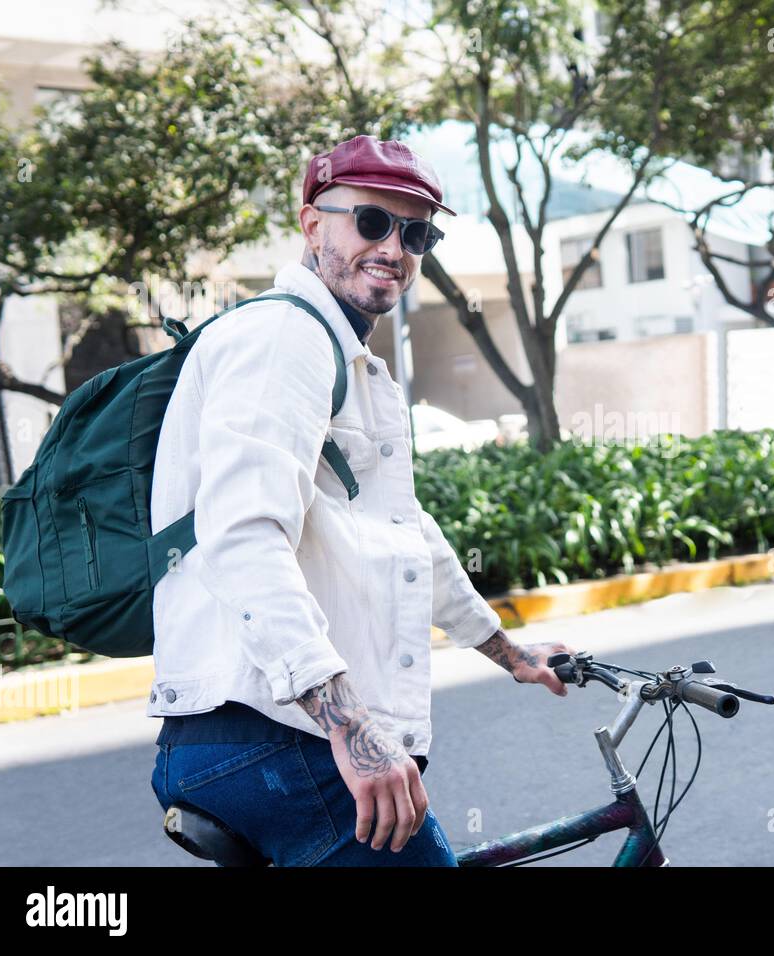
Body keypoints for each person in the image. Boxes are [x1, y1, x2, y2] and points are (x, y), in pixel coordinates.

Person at [148, 135, 573, 866]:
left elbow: (407, 536)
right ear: (314, 226)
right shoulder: (286, 334)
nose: (395, 247)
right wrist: (352, 730)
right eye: (372, 222)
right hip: (270, 735)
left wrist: (510, 652)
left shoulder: (345, 358)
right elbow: (242, 536)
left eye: (416, 233)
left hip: (260, 737)